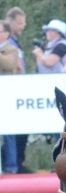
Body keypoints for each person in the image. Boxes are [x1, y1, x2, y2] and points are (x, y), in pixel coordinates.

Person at [0, 19, 22, 174]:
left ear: (6, 34)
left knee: (8, 132)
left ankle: (11, 167)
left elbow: (8, 65)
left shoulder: (12, 49)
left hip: (7, 96)